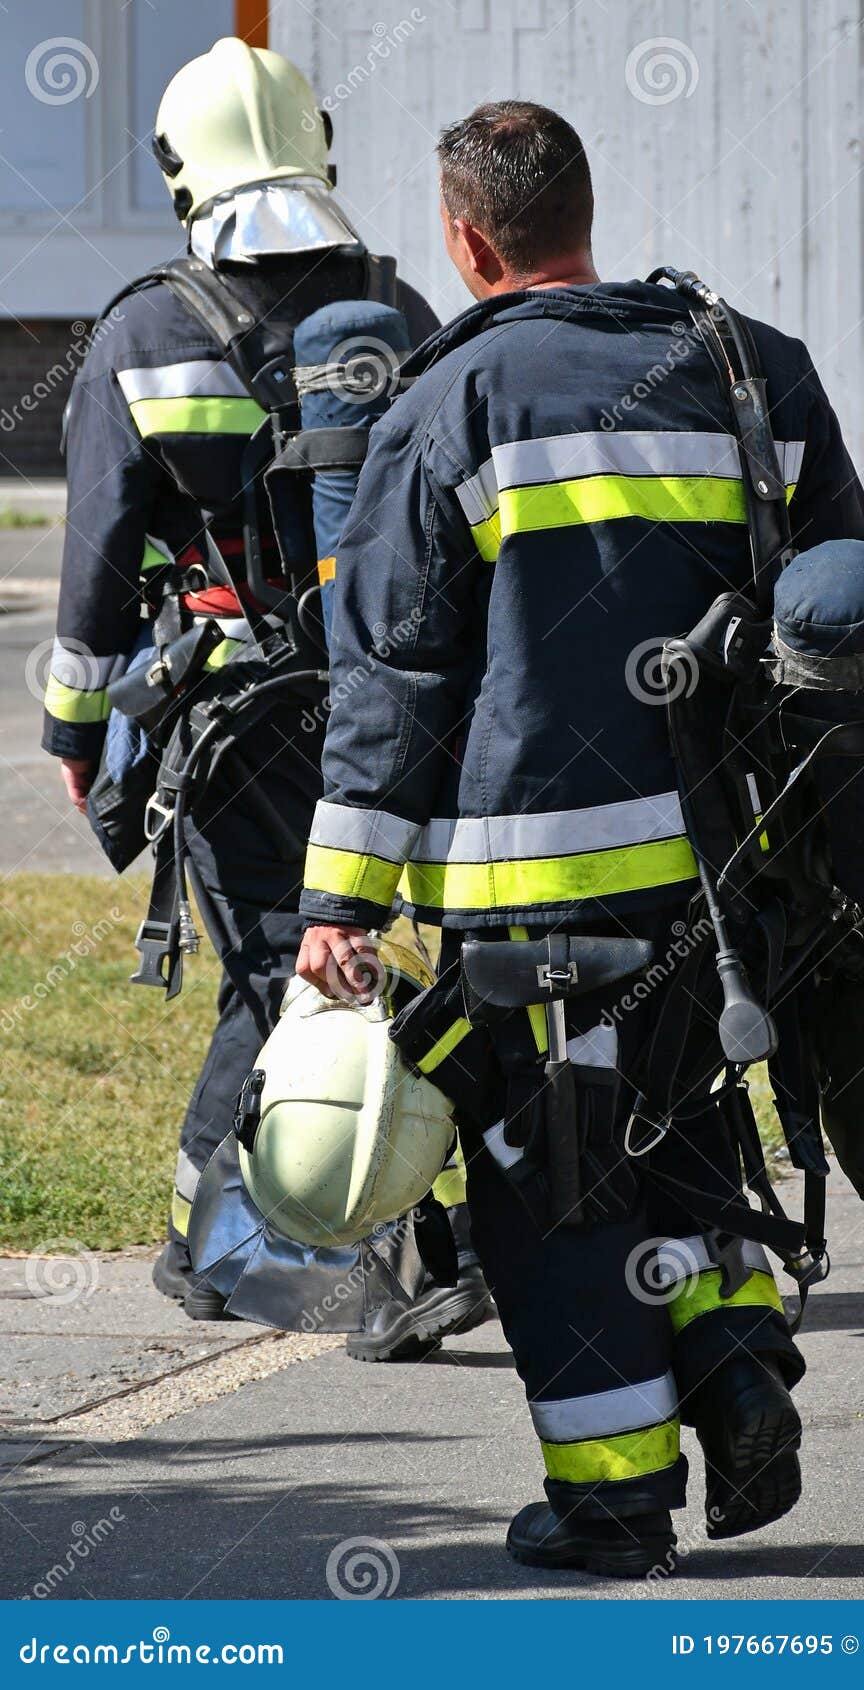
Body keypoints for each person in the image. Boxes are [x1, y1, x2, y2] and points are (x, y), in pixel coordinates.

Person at [297, 100, 864, 1574]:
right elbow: (841, 620)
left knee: (557, 1197)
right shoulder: (750, 367)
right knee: (676, 1127)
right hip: (719, 887)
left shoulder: (446, 406)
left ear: (466, 238)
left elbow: (391, 677)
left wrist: (341, 900)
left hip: (533, 898)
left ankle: (614, 1504)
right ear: (581, 215)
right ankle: (736, 1354)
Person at [44, 38, 492, 1346]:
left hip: (232, 723)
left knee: (274, 975)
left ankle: (294, 1248)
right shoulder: (400, 311)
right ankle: (268, 1239)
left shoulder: (140, 329)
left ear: (181, 169)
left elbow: (93, 571)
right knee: (340, 964)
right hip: (392, 707)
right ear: (318, 152)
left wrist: (80, 728)